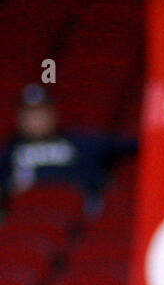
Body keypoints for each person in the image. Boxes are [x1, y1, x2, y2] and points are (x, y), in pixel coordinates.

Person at [0, 84, 136, 202]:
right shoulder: (7, 153)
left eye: (41, 112)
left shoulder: (82, 144)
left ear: (53, 113)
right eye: (30, 114)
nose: (36, 119)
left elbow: (130, 147)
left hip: (77, 222)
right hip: (26, 221)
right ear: (18, 117)